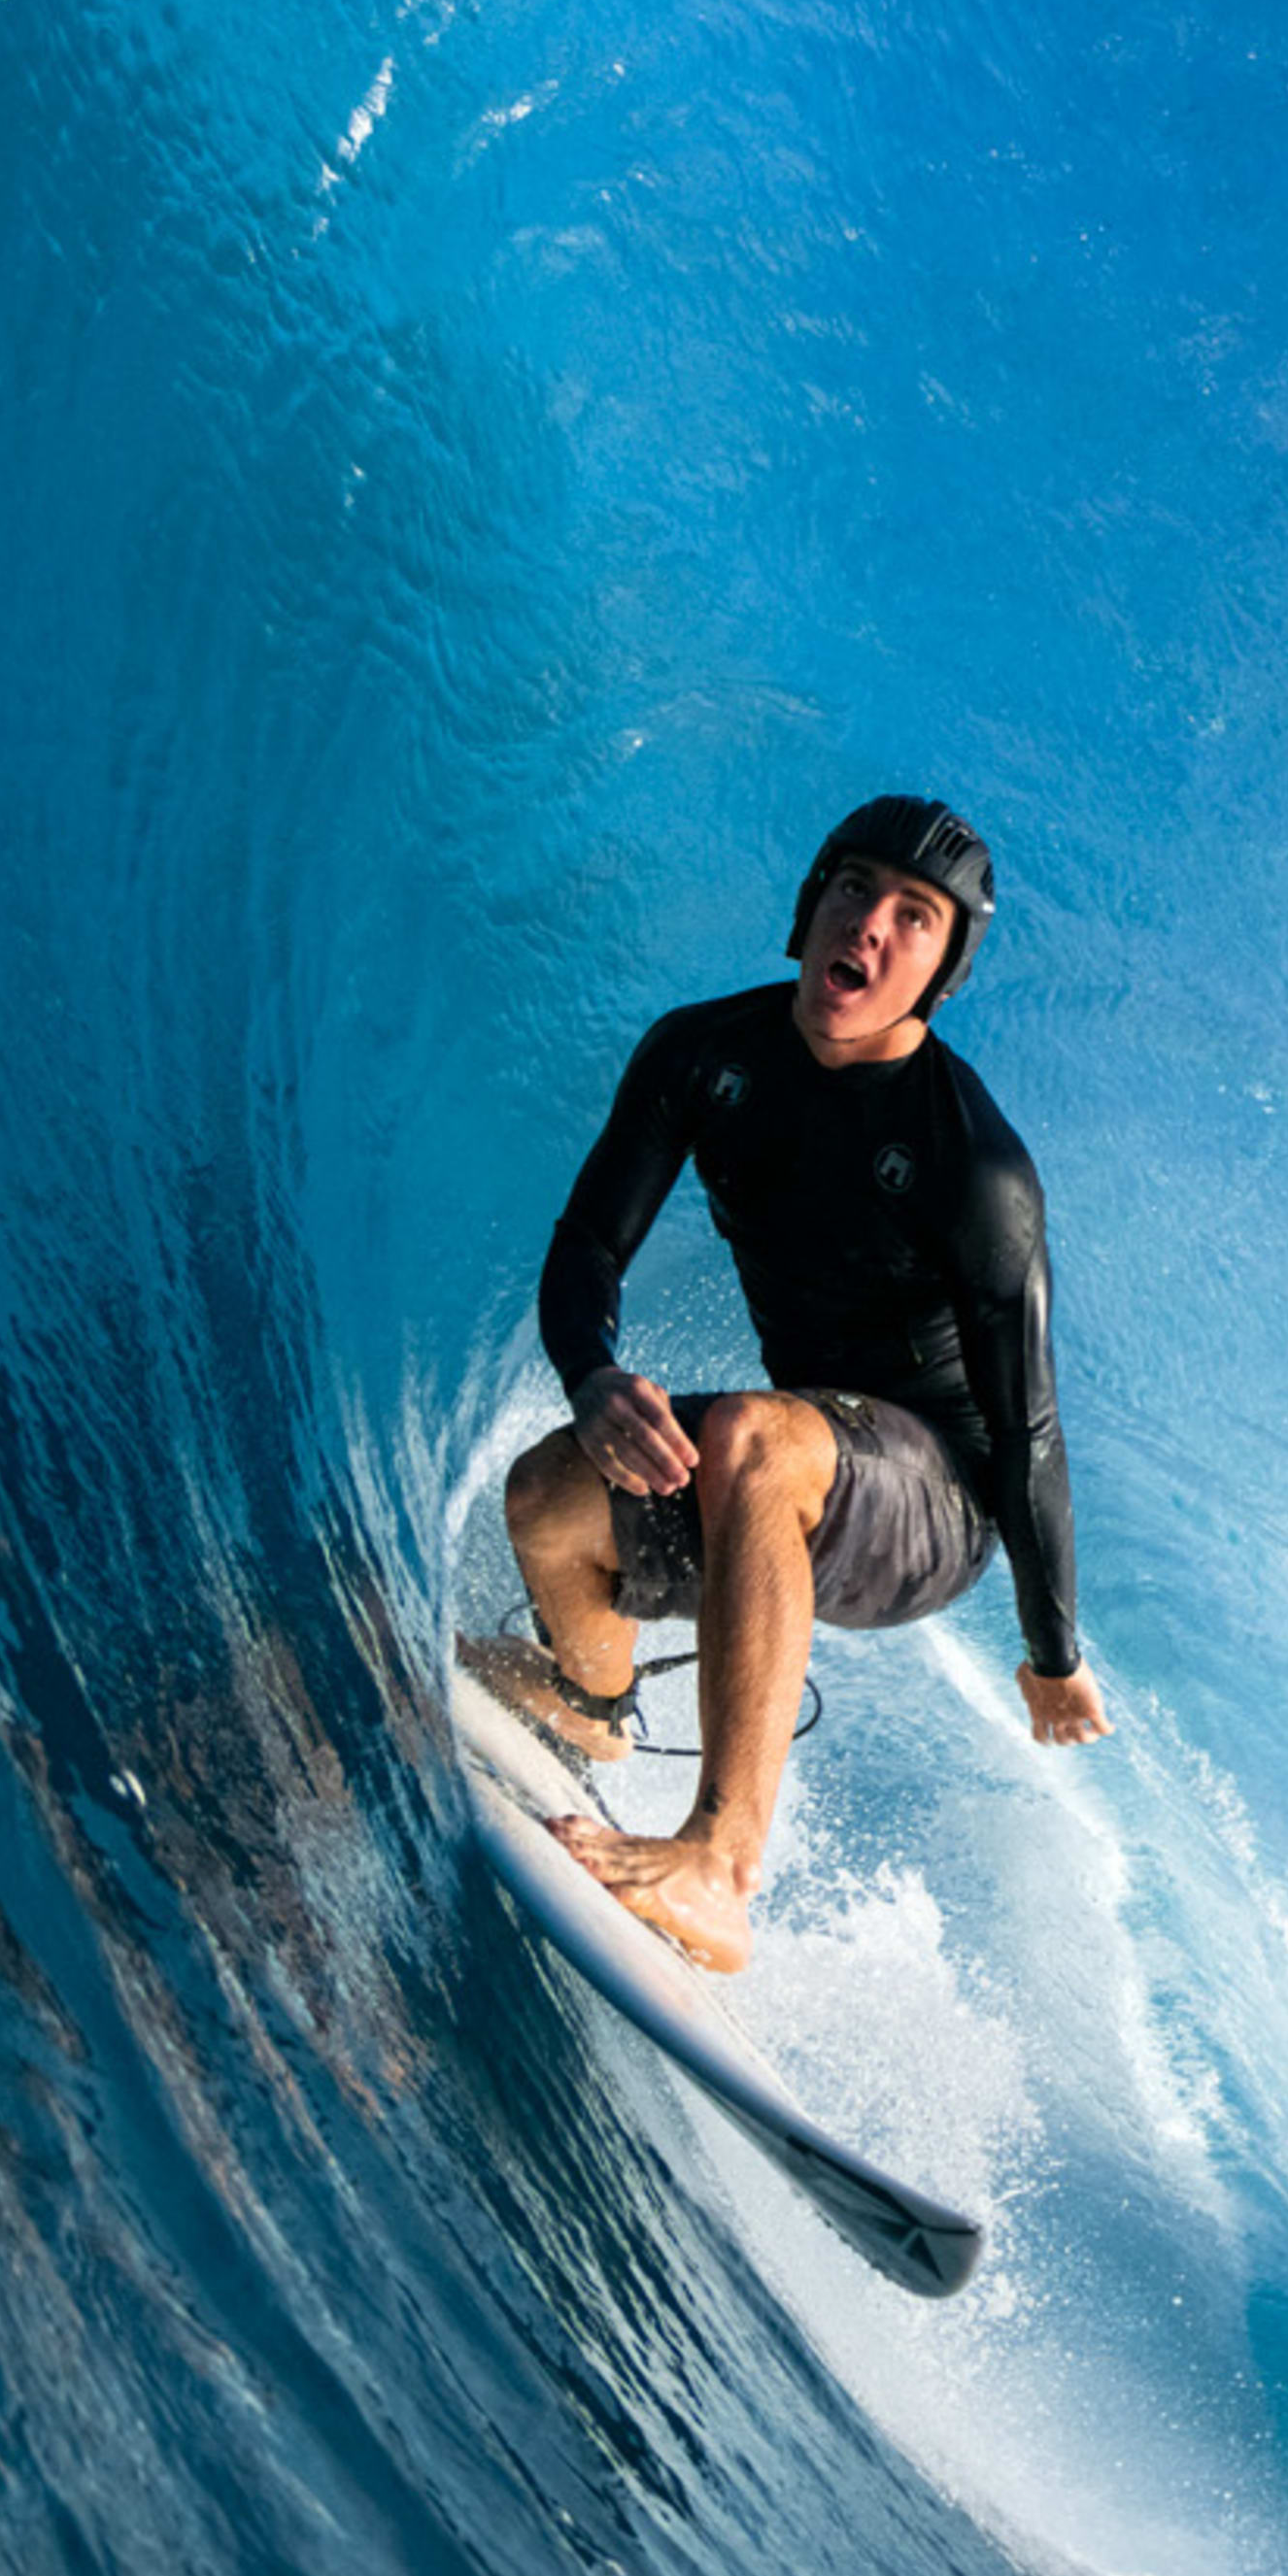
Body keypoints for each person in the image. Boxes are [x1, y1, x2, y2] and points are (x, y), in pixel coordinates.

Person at [469, 794, 1112, 1971]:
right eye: (853, 888)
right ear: (809, 901)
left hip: (932, 1507)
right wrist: (593, 1375)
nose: (869, 925)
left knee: (757, 1438)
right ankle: (591, 1700)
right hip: (797, 1456)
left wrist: (1052, 1648)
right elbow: (589, 1247)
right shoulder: (706, 1055)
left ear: (941, 970)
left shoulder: (974, 1163)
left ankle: (720, 1861)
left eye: (913, 917)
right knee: (551, 1497)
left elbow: (1029, 1434)